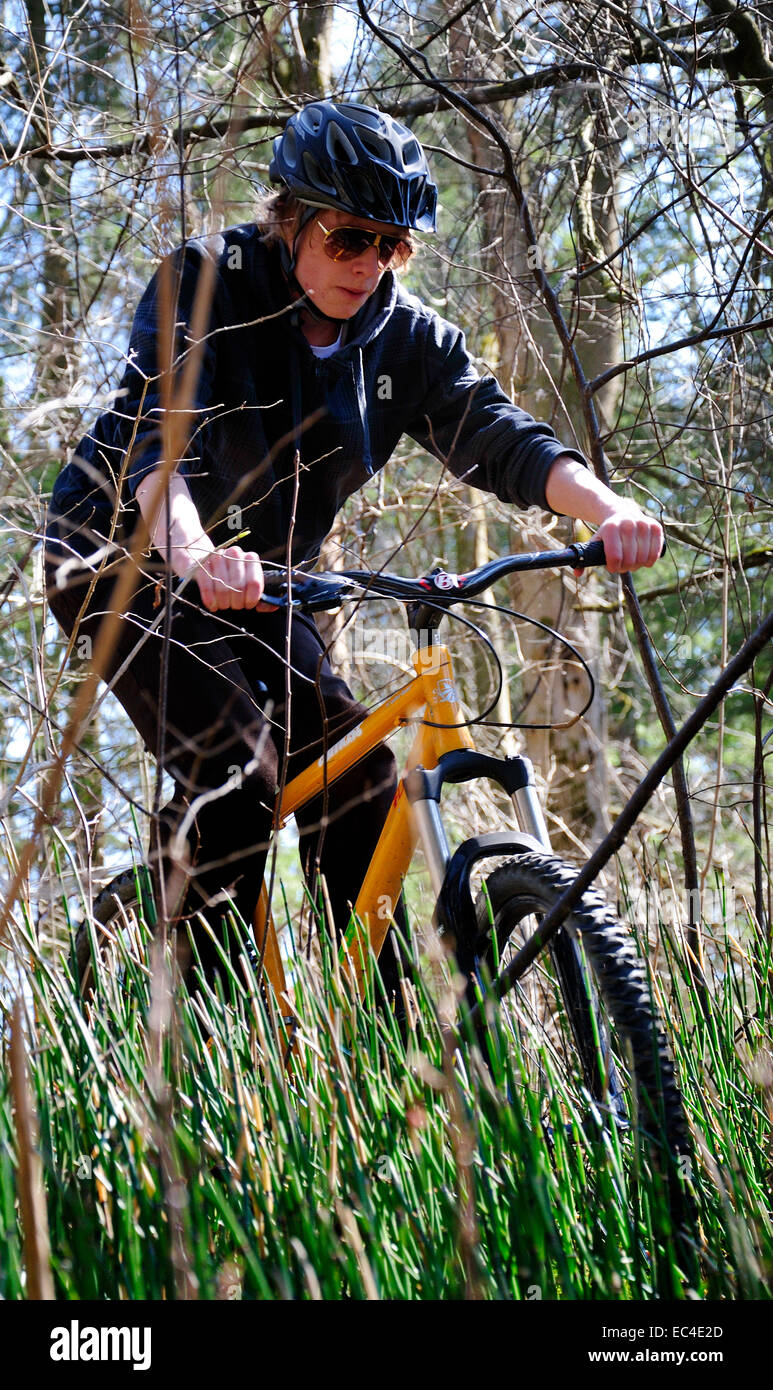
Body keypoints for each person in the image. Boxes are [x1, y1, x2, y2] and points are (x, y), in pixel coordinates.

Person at [44, 99, 663, 998]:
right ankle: (213, 1047)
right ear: (290, 218)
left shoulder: (402, 341)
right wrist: (195, 552)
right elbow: (161, 441)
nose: (369, 266)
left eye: (391, 246)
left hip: (265, 578)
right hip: (121, 553)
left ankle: (379, 1046)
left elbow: (500, 437)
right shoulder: (208, 281)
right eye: (347, 240)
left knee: (359, 780)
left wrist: (607, 510)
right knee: (231, 772)